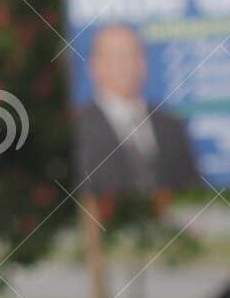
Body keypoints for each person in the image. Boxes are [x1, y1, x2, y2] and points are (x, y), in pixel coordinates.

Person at [72, 23, 202, 201]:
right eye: (116, 56)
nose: (126, 65)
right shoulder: (78, 127)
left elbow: (191, 192)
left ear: (144, 63)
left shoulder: (171, 125)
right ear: (95, 65)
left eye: (133, 55)